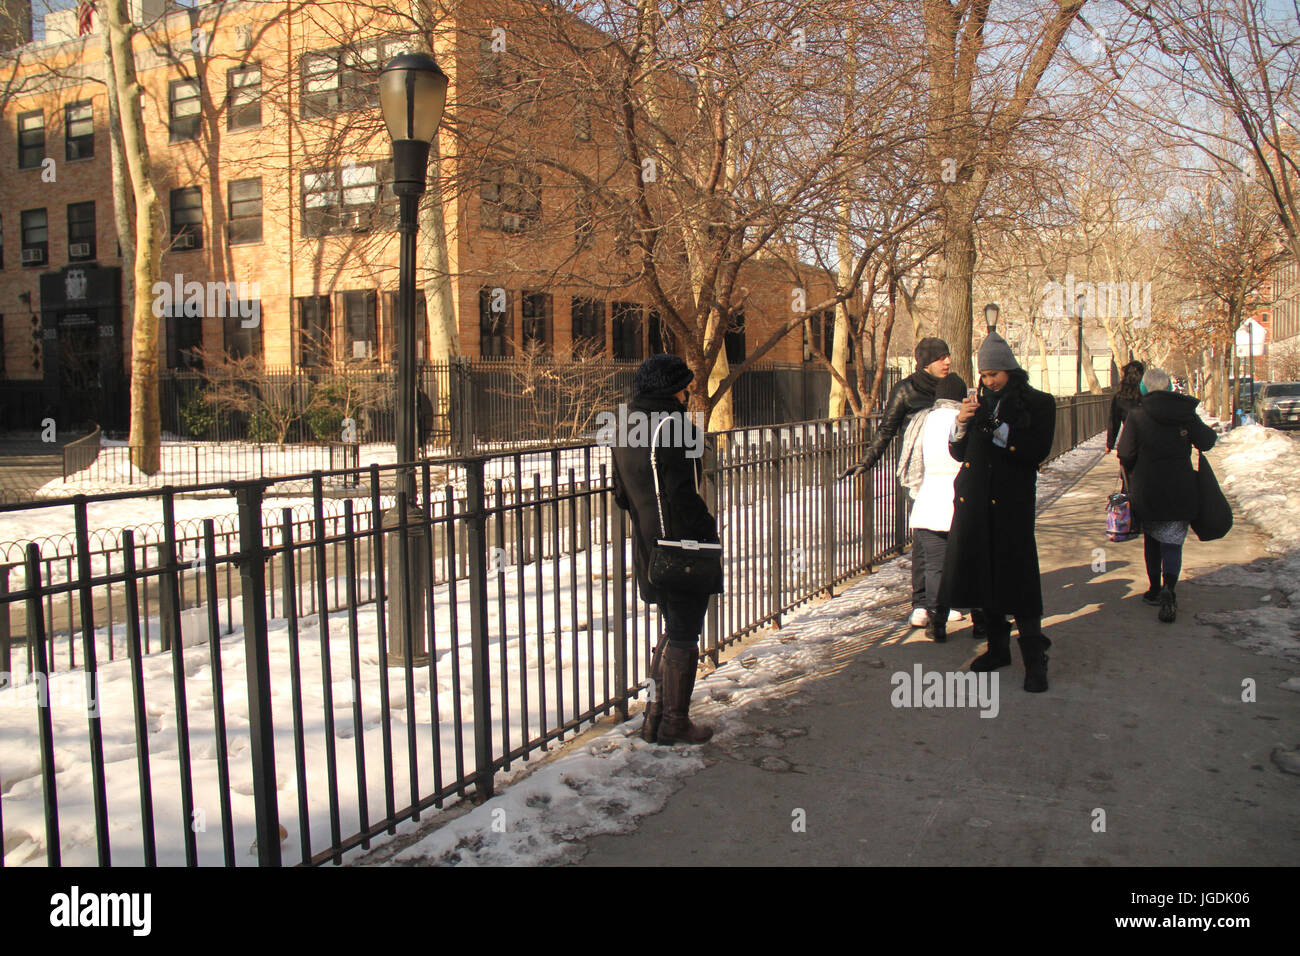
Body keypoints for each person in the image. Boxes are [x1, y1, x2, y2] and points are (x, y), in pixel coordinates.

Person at [611, 354, 722, 745]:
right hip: (681, 546)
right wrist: (706, 529)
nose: (687, 392)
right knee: (683, 633)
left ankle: (655, 717)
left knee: (672, 628)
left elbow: (620, 494)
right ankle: (674, 722)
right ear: (670, 388)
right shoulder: (673, 427)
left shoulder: (624, 426)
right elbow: (682, 494)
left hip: (648, 545)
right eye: (684, 386)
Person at [939, 332, 1057, 692]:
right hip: (974, 502)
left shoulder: (1039, 402)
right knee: (983, 575)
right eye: (984, 374)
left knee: (1018, 579)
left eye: (995, 374)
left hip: (1011, 504)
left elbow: (1036, 451)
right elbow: (958, 454)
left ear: (1010, 369)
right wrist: (962, 421)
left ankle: (1035, 658)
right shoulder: (976, 403)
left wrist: (998, 429)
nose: (989, 381)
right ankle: (997, 648)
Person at [841, 336, 953, 628]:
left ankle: (945, 599)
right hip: (920, 475)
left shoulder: (953, 386)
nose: (947, 362)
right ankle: (921, 602)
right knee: (924, 540)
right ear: (926, 362)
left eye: (948, 356)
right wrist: (867, 461)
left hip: (951, 472)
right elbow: (887, 429)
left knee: (952, 538)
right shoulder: (906, 389)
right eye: (941, 357)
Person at [1115, 367, 1217, 624]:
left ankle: (1153, 590)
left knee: (1153, 539)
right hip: (1181, 488)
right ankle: (1170, 588)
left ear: (1143, 389)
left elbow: (1125, 454)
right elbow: (1206, 441)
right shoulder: (1184, 414)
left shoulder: (1137, 416)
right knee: (1173, 540)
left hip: (1148, 490)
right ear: (1171, 386)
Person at [902, 373, 968, 642]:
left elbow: (912, 461)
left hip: (929, 499)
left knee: (934, 566)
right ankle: (977, 616)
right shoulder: (963, 419)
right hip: (960, 500)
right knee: (967, 561)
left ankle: (935, 622)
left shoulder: (922, 420)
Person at [1107, 360, 1145, 455]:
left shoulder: (1119, 397)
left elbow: (1114, 423)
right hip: (1147, 440)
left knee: (1127, 464)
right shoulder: (1147, 396)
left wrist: (1110, 443)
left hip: (1129, 440)